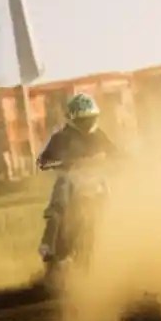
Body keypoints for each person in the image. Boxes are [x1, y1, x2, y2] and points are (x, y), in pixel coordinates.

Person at [36, 93, 118, 263]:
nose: (87, 123)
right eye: (83, 119)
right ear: (73, 118)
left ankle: (114, 240)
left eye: (90, 118)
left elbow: (115, 153)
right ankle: (48, 244)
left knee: (112, 199)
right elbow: (43, 161)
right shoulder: (61, 137)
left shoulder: (99, 135)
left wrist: (127, 160)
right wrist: (57, 162)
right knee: (59, 199)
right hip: (71, 179)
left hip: (95, 181)